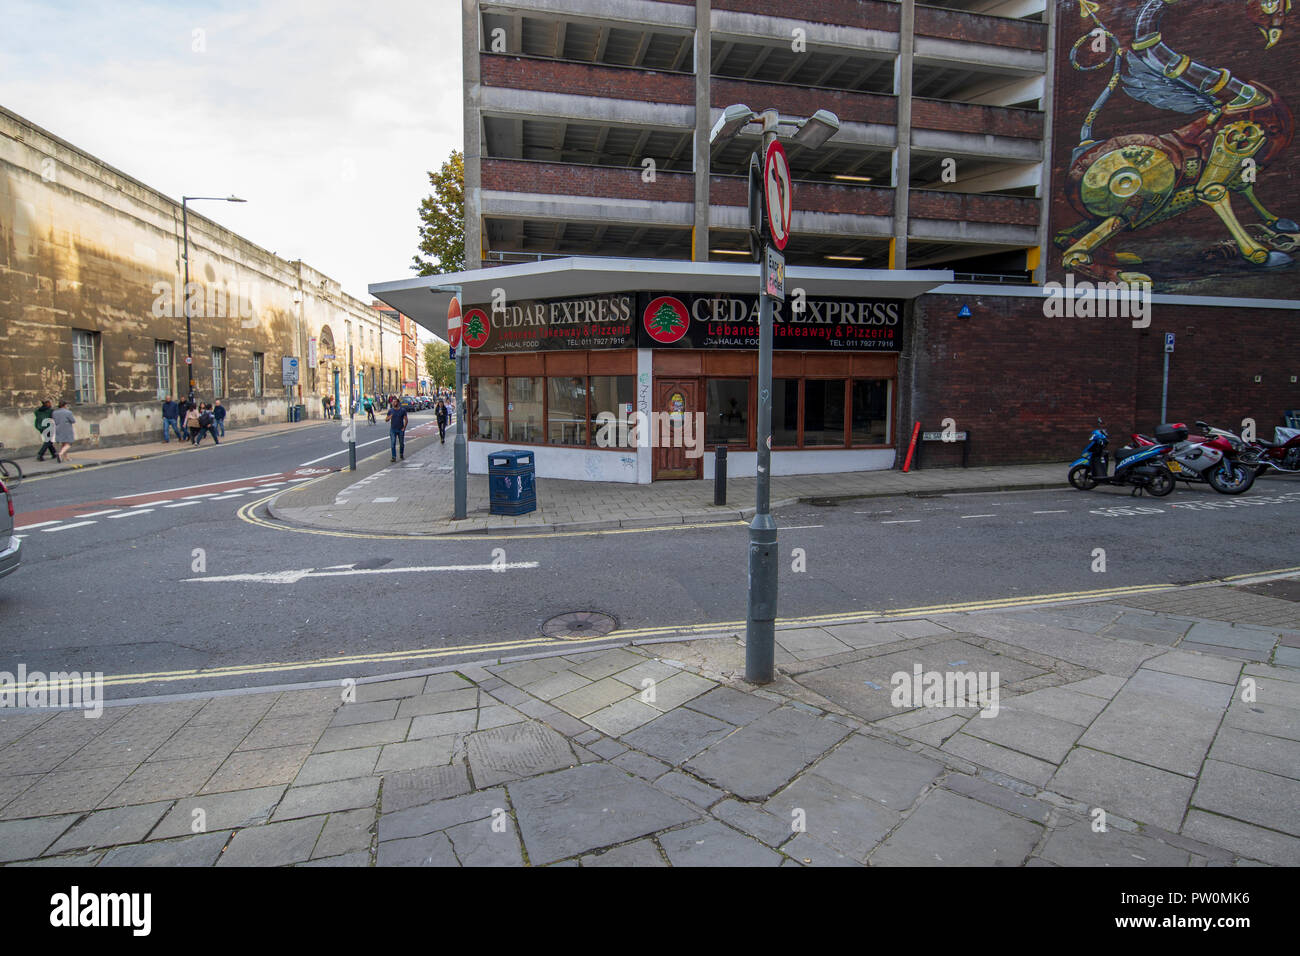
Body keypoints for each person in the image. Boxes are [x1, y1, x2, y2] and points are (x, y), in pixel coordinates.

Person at [385, 396, 408, 462]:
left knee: (401, 443)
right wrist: (389, 417)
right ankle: (393, 457)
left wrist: (404, 428)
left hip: (400, 429)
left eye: (395, 402)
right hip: (393, 429)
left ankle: (401, 454)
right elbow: (386, 419)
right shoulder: (391, 410)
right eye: (393, 402)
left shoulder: (402, 410)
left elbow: (406, 420)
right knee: (393, 443)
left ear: (398, 403)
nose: (393, 403)